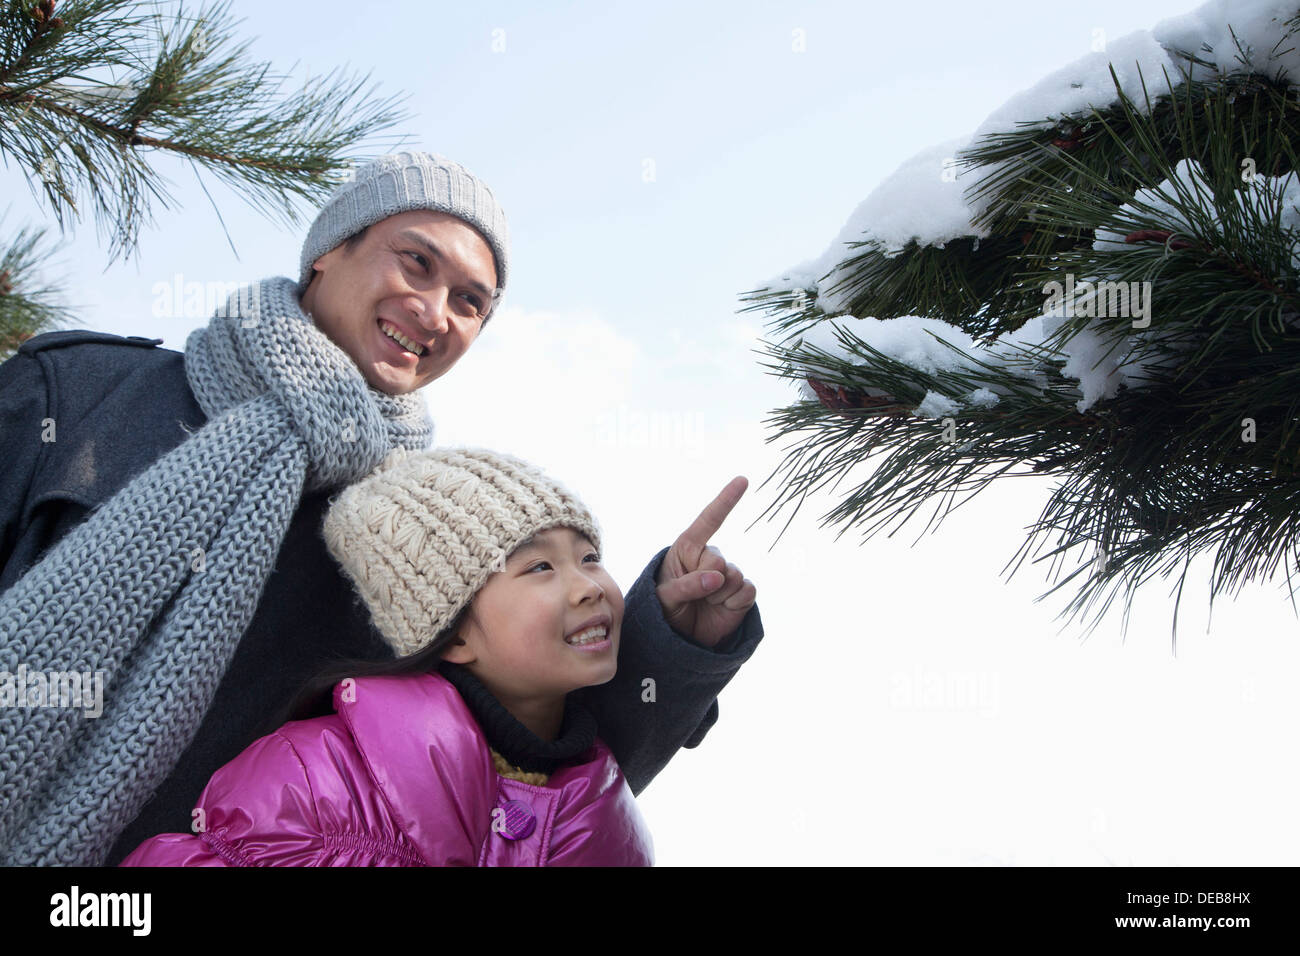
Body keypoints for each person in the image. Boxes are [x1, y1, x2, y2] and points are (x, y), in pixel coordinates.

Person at [0, 151, 764, 866]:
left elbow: (525, 778)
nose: (435, 312)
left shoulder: (414, 543)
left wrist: (673, 646)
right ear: (327, 251)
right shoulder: (81, 391)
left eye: (471, 302)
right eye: (416, 261)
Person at [120, 446, 756, 866]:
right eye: (539, 566)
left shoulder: (605, 812)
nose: (590, 584)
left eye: (590, 557)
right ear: (451, 634)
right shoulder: (312, 778)